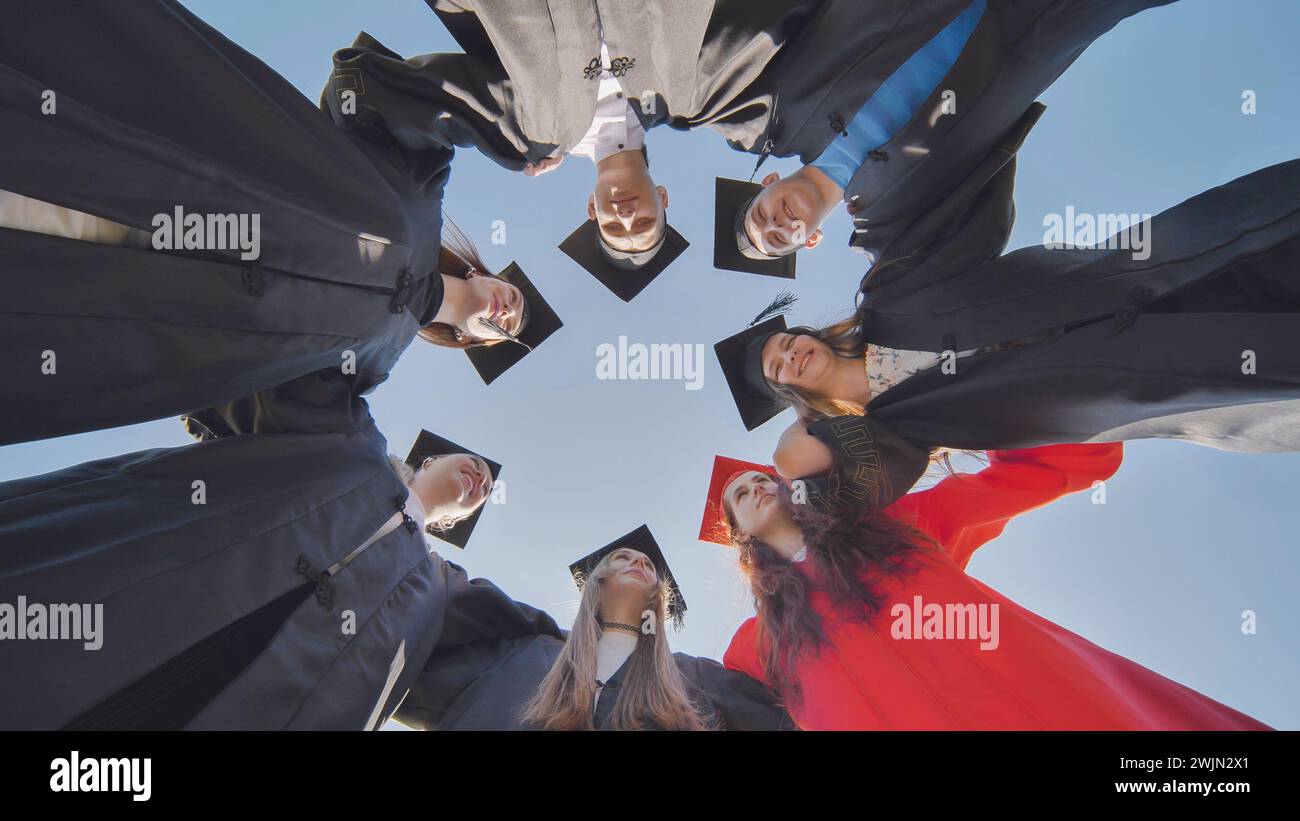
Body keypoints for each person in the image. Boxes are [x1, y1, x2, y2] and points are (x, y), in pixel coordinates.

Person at [0, 0, 560, 447]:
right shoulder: (421, 193)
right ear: (492, 274)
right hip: (159, 161)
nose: (509, 310)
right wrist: (506, 124)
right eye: (514, 295)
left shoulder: (367, 369)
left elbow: (255, 420)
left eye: (507, 329)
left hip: (110, 285)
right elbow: (364, 94)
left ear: (471, 340)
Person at [0, 361, 560, 729]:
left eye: (484, 490)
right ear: (430, 459)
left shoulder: (437, 591)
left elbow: (537, 646)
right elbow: (253, 378)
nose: (479, 480)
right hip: (119, 609)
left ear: (455, 522)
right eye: (473, 466)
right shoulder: (348, 444)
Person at [714, 158, 1300, 484]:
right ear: (792, 396)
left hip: (1137, 276)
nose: (790, 352)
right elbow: (816, 475)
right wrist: (801, 424)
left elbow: (958, 198)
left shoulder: (890, 296)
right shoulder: (894, 431)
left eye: (786, 340)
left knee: (1269, 234)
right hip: (1145, 382)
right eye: (780, 367)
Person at [699, 449, 1272, 730]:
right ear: (737, 535)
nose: (752, 485)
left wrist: (937, 400)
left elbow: (1052, 464)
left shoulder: (894, 529)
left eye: (760, 477)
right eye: (738, 495)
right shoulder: (757, 646)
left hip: (1067, 713)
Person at [324, 0, 823, 299]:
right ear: (662, 198)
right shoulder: (693, 96)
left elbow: (371, 93)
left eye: (612, 227)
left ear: (591, 210)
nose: (626, 217)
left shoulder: (528, 130)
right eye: (645, 223)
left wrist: (501, 147)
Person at [715, 0, 1176, 272]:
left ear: (767, 184)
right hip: (1029, 30)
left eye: (762, 216)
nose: (776, 223)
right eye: (780, 239)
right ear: (809, 241)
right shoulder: (891, 219)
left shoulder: (784, 114)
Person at [394, 525, 793, 730]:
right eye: (621, 557)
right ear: (594, 581)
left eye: (648, 565)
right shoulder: (525, 648)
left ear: (660, 596)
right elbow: (408, 628)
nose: (638, 562)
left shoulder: (696, 676)